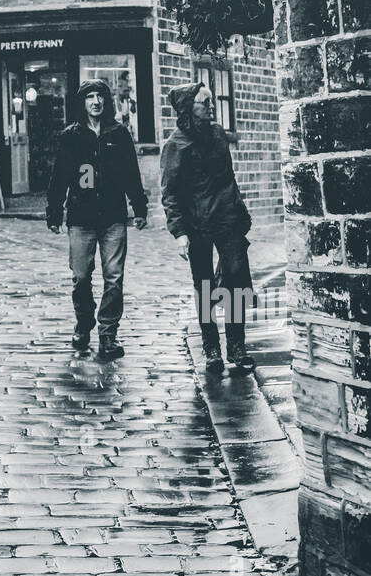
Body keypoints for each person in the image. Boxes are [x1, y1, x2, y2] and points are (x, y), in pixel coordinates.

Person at [46, 80, 148, 359]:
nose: (95, 101)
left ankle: (108, 334)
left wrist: (139, 207)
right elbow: (60, 176)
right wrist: (54, 211)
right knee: (80, 277)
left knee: (114, 278)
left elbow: (131, 174)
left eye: (99, 96)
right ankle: (83, 322)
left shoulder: (119, 134)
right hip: (81, 217)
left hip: (113, 216)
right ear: (82, 103)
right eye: (90, 97)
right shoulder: (71, 136)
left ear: (106, 101)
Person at [161, 82, 256, 374]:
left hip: (227, 220)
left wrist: (239, 211)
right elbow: (170, 194)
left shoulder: (217, 135)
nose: (211, 106)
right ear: (189, 108)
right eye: (205, 102)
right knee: (204, 287)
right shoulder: (175, 146)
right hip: (197, 225)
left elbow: (229, 178)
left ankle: (237, 347)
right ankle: (211, 347)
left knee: (237, 280)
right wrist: (180, 233)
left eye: (212, 101)